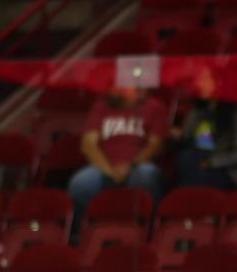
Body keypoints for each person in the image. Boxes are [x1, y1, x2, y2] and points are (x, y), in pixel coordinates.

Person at [69, 85, 168, 222]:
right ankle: (87, 232)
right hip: (104, 167)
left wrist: (130, 166)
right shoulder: (101, 107)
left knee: (145, 175)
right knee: (81, 182)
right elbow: (89, 144)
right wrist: (109, 170)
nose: (112, 89)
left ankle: (142, 229)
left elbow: (155, 145)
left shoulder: (155, 107)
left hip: (138, 165)